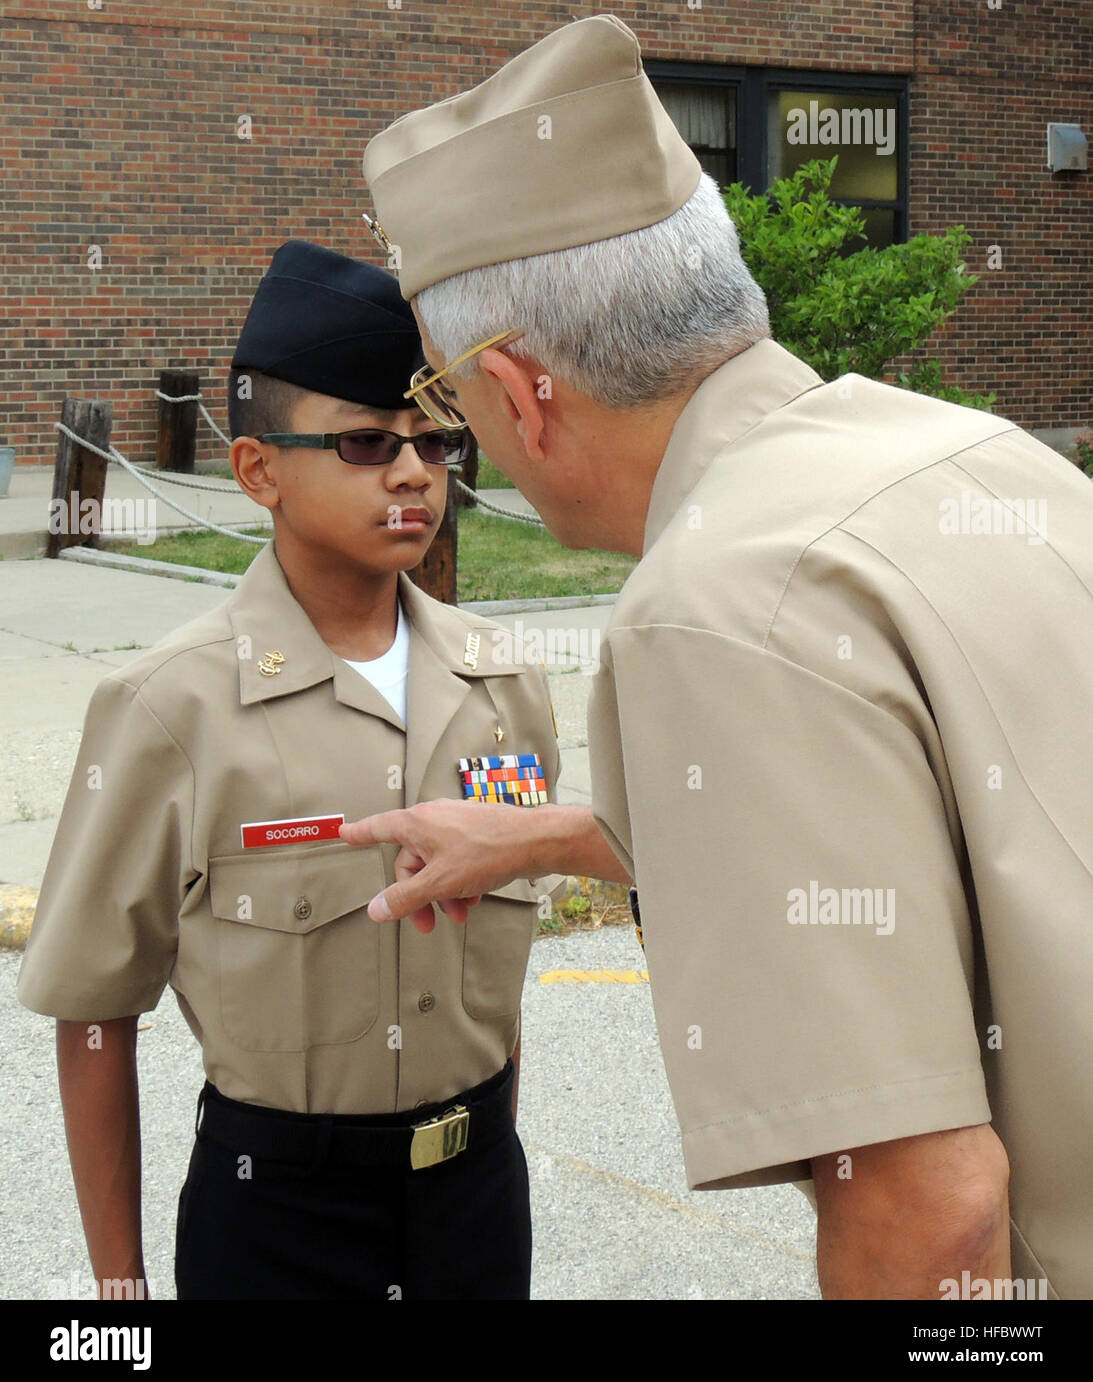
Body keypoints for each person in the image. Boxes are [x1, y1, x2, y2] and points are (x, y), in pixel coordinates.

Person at [347, 14, 1093, 1299]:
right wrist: (553, 834)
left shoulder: (715, 606)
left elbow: (929, 1212)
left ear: (520, 392)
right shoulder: (982, 455)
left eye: (442, 400)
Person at [17, 240, 562, 1300]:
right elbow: (95, 1008)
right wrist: (119, 1292)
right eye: (364, 442)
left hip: (476, 1204)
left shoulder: (504, 682)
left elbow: (496, 968)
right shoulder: (170, 708)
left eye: (434, 443)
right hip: (277, 1218)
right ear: (259, 467)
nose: (411, 472)